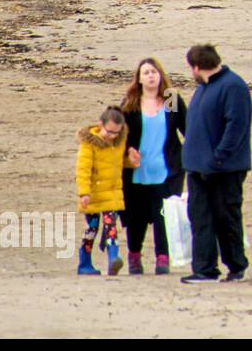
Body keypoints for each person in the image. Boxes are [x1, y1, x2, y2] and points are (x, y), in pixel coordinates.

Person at [181, 44, 252, 284]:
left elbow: (236, 127)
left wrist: (219, 157)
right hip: (198, 168)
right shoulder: (203, 88)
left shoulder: (233, 86)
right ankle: (204, 269)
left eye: (192, 69)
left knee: (227, 219)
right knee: (200, 219)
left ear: (198, 67)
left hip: (225, 169)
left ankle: (236, 267)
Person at [120, 58, 187, 277]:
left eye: (154, 71)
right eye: (146, 72)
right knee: (135, 218)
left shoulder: (171, 100)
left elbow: (188, 130)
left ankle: (162, 259)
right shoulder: (130, 103)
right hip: (137, 172)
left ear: (160, 74)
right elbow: (120, 136)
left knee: (163, 217)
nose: (150, 75)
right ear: (138, 78)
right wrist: (128, 151)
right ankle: (134, 256)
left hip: (167, 172)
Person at [76, 107, 136, 276]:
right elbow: (83, 170)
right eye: (109, 132)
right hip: (93, 194)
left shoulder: (119, 141)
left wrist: (131, 161)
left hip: (112, 193)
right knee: (92, 229)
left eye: (116, 133)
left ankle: (113, 259)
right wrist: (84, 193)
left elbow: (119, 163)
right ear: (100, 125)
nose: (112, 136)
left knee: (111, 227)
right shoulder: (89, 144)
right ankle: (85, 263)